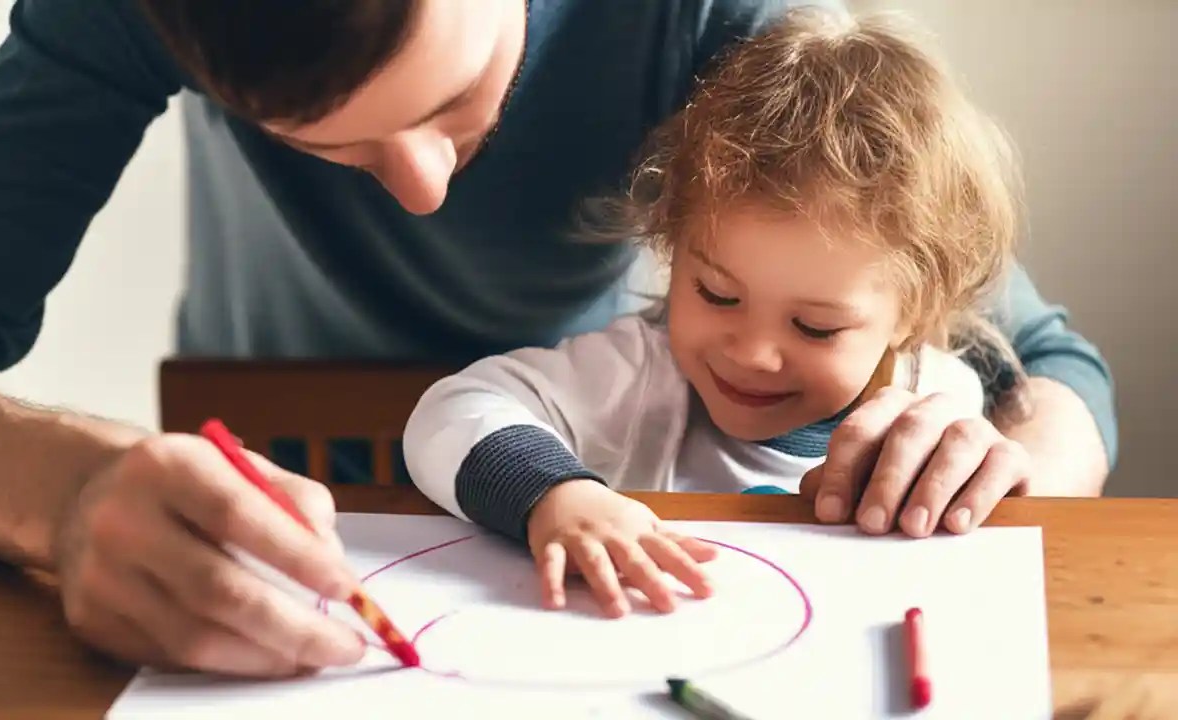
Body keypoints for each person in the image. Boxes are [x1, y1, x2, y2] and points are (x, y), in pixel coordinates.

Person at [0, 0, 1113, 678]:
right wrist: (54, 489)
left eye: (447, 101)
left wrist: (999, 470)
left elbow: (1050, 376)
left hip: (608, 508)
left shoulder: (732, 25)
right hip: (267, 493)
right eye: (320, 142)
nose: (420, 191)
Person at [404, 8, 1072, 618]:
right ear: (673, 248)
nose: (751, 351)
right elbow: (450, 412)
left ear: (914, 314)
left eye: (815, 326)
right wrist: (556, 496)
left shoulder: (940, 400)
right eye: (716, 294)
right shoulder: (642, 371)